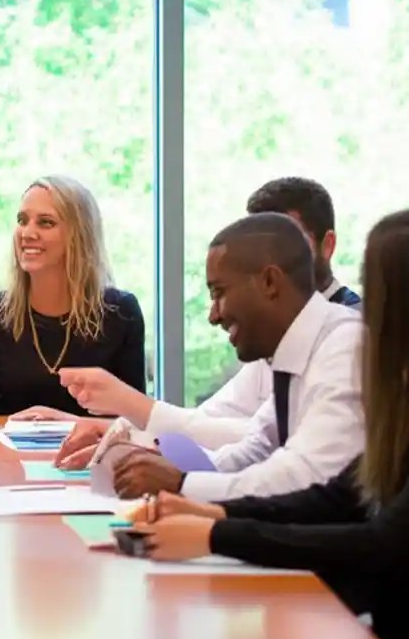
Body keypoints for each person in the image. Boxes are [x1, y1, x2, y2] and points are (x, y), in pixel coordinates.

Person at [126, 207, 409, 639]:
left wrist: (218, 531)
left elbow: (385, 543)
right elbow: (336, 496)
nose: (367, 317)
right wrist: (213, 512)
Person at [52, 177, 362, 465]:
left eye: (293, 245)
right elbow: (228, 430)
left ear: (328, 245)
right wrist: (133, 440)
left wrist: (131, 409)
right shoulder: (283, 337)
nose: (272, 261)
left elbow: (280, 450)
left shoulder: (349, 336)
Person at [105, 212, 364, 500]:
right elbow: (257, 448)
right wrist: (171, 470)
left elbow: (307, 474)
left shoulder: (345, 347)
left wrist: (182, 483)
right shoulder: (294, 349)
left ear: (269, 282)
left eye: (219, 293)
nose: (213, 316)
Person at [0, 175, 145, 416]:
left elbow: (134, 422)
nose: (27, 233)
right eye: (22, 220)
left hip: (92, 453)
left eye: (45, 223)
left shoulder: (121, 313)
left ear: (79, 235)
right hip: (4, 452)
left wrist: (67, 425)